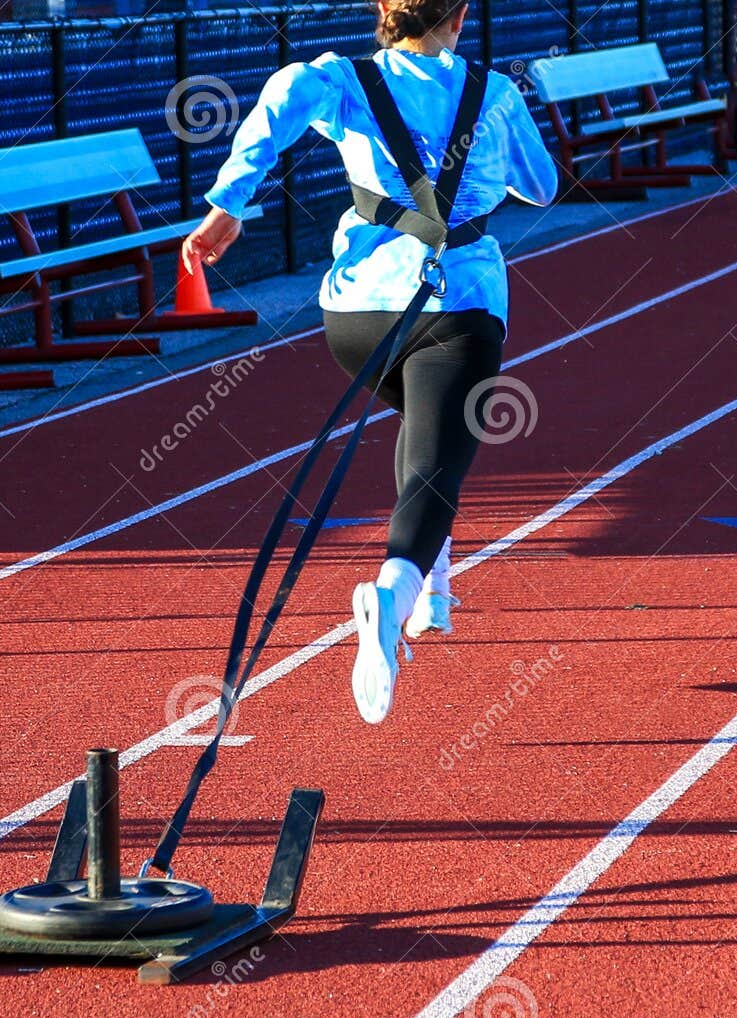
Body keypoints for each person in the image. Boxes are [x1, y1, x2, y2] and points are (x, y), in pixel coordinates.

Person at [182, 0, 558, 724]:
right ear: (463, 13)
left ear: (385, 9)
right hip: (457, 305)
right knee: (435, 466)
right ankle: (392, 592)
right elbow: (540, 187)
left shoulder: (345, 79)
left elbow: (285, 91)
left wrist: (229, 202)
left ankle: (435, 593)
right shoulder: (496, 94)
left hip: (354, 318)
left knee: (426, 433)